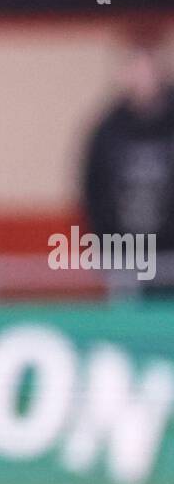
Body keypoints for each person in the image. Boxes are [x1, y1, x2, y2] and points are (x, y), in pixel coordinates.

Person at [82, 34, 174, 291]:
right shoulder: (108, 129)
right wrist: (104, 244)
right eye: (133, 66)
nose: (141, 76)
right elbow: (92, 189)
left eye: (147, 66)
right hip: (124, 255)